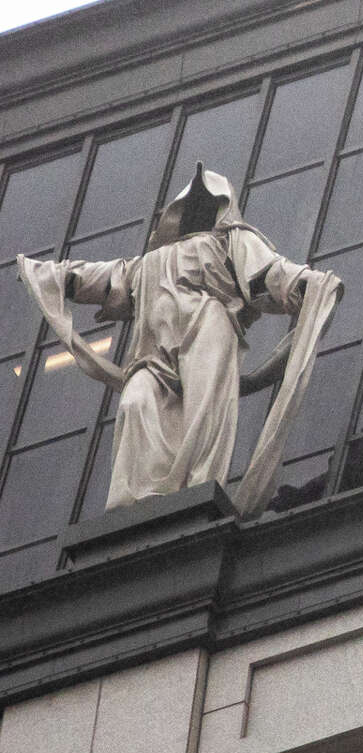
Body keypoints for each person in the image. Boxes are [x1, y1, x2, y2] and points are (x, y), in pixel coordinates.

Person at [17, 165, 341, 515]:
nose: (197, 211)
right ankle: (138, 499)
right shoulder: (146, 264)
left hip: (208, 331)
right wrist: (50, 275)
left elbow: (272, 273)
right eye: (192, 204)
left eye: (207, 203)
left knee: (204, 413)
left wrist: (309, 284)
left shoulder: (232, 241)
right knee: (135, 402)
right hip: (153, 356)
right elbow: (98, 278)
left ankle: (198, 486)